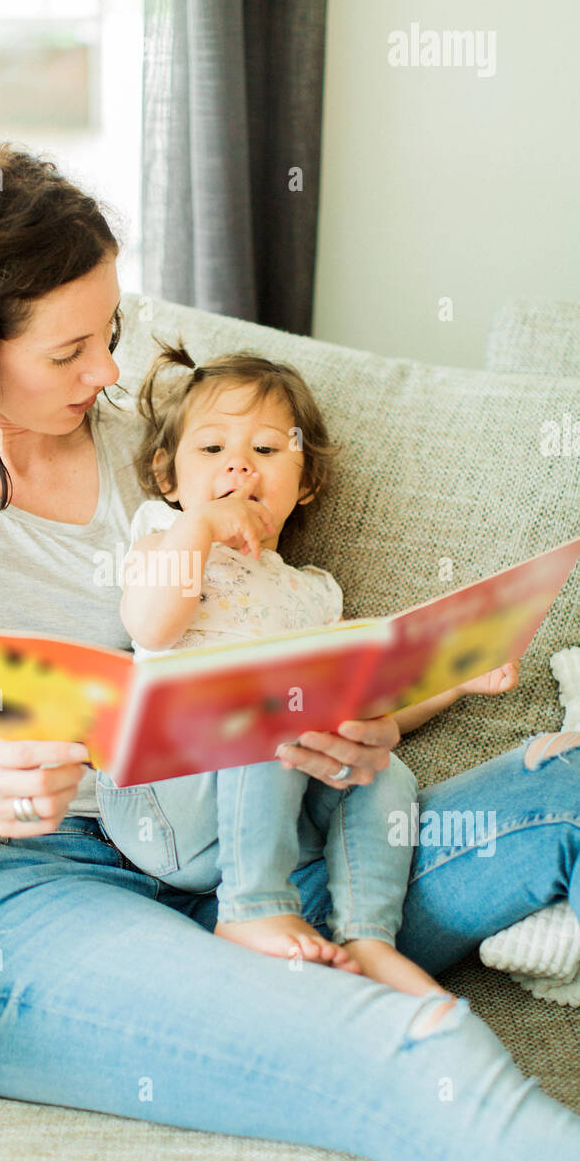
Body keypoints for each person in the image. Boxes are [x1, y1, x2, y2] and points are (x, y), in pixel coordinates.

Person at [0, 142, 580, 1161]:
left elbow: (270, 642)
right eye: (68, 352)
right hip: (9, 892)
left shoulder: (161, 449)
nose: (105, 372)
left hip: (242, 843)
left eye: (108, 334)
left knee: (563, 785)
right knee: (395, 1042)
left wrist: (342, 720)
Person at [95, 340, 519, 998]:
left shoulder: (313, 593)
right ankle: (251, 909)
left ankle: (369, 935)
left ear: (307, 482)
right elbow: (150, 624)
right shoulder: (165, 536)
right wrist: (201, 527)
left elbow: (366, 710)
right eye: (212, 449)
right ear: (169, 476)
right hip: (160, 794)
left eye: (266, 450)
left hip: (266, 814)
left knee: (378, 765)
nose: (239, 463)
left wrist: (451, 677)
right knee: (272, 704)